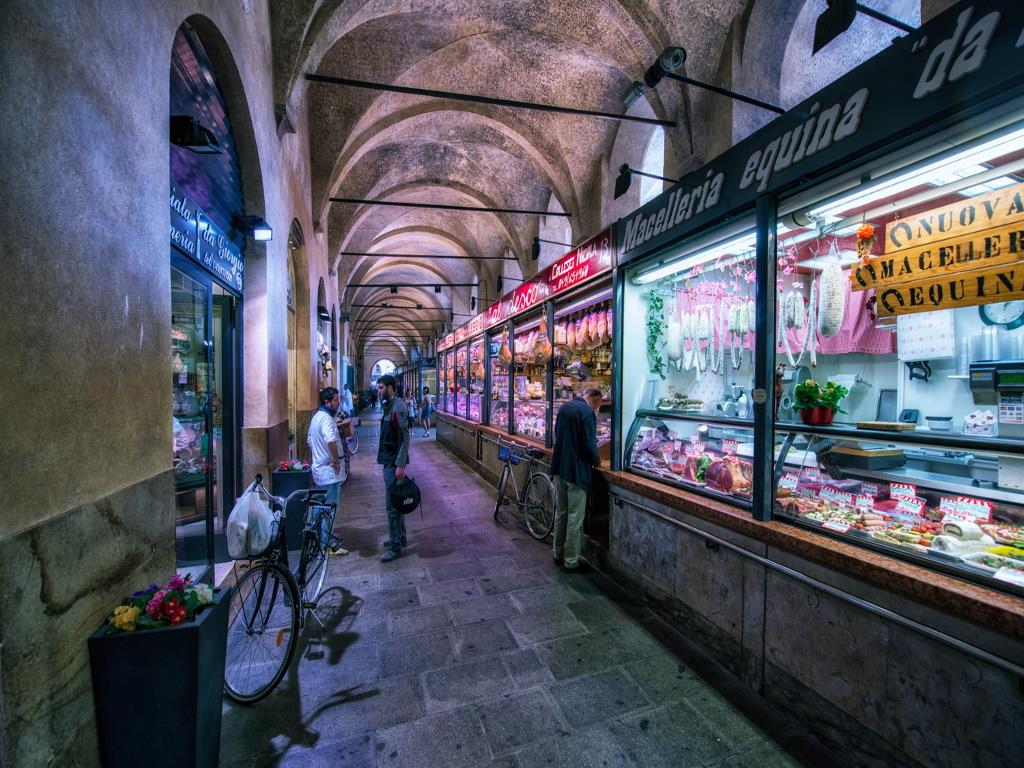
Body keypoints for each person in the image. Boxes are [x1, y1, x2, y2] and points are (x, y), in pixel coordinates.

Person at [549, 386, 603, 572]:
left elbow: (557, 433)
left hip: (559, 468)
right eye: (599, 405)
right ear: (595, 400)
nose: (598, 409)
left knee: (561, 513)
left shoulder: (565, 407)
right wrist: (597, 460)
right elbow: (589, 445)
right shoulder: (588, 413)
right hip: (576, 472)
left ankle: (557, 552)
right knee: (575, 517)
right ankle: (571, 560)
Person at [306, 387, 349, 555]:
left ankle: (320, 539)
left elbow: (310, 439)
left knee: (321, 507)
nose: (338, 402)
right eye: (336, 400)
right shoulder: (326, 419)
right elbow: (331, 439)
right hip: (329, 472)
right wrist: (336, 461)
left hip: (319, 470)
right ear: (327, 402)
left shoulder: (316, 417)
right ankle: (328, 544)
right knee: (330, 508)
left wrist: (318, 453)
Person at [376, 374, 411, 561]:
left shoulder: (398, 408)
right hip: (389, 460)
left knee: (391, 507)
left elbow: (405, 438)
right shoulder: (391, 405)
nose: (379, 390)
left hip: (393, 463)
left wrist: (400, 464)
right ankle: (401, 537)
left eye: (381, 387)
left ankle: (395, 545)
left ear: (390, 388)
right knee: (396, 502)